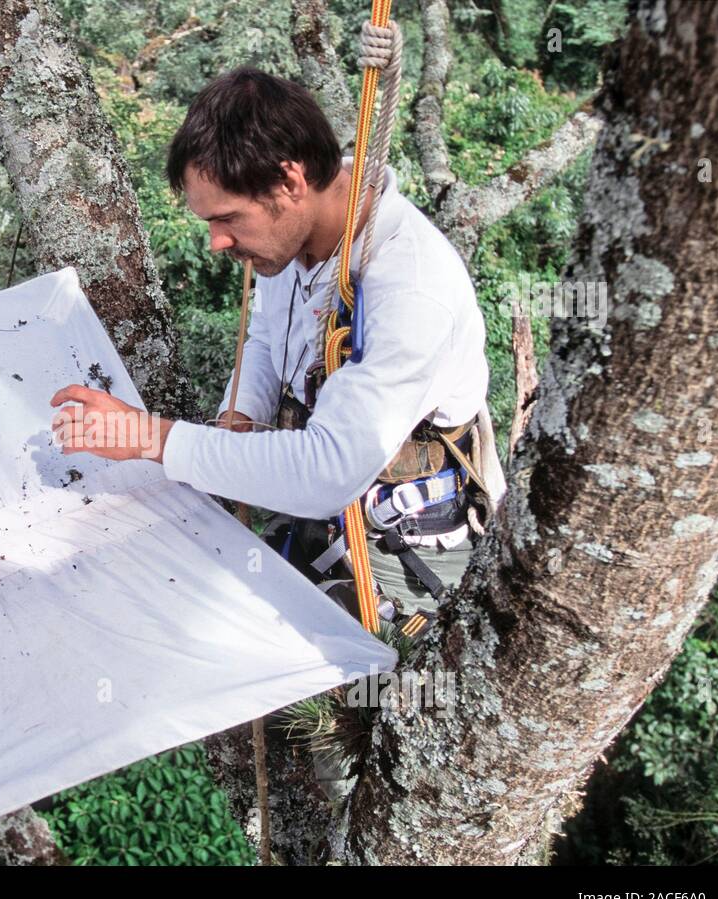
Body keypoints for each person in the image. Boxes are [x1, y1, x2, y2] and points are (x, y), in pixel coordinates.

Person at [50, 66, 506, 638]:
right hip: (317, 527)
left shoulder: (410, 289)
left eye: (227, 219)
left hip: (400, 562)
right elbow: (265, 335)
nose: (217, 243)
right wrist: (240, 417)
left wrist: (151, 438)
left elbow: (329, 473)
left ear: (290, 181)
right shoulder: (290, 243)